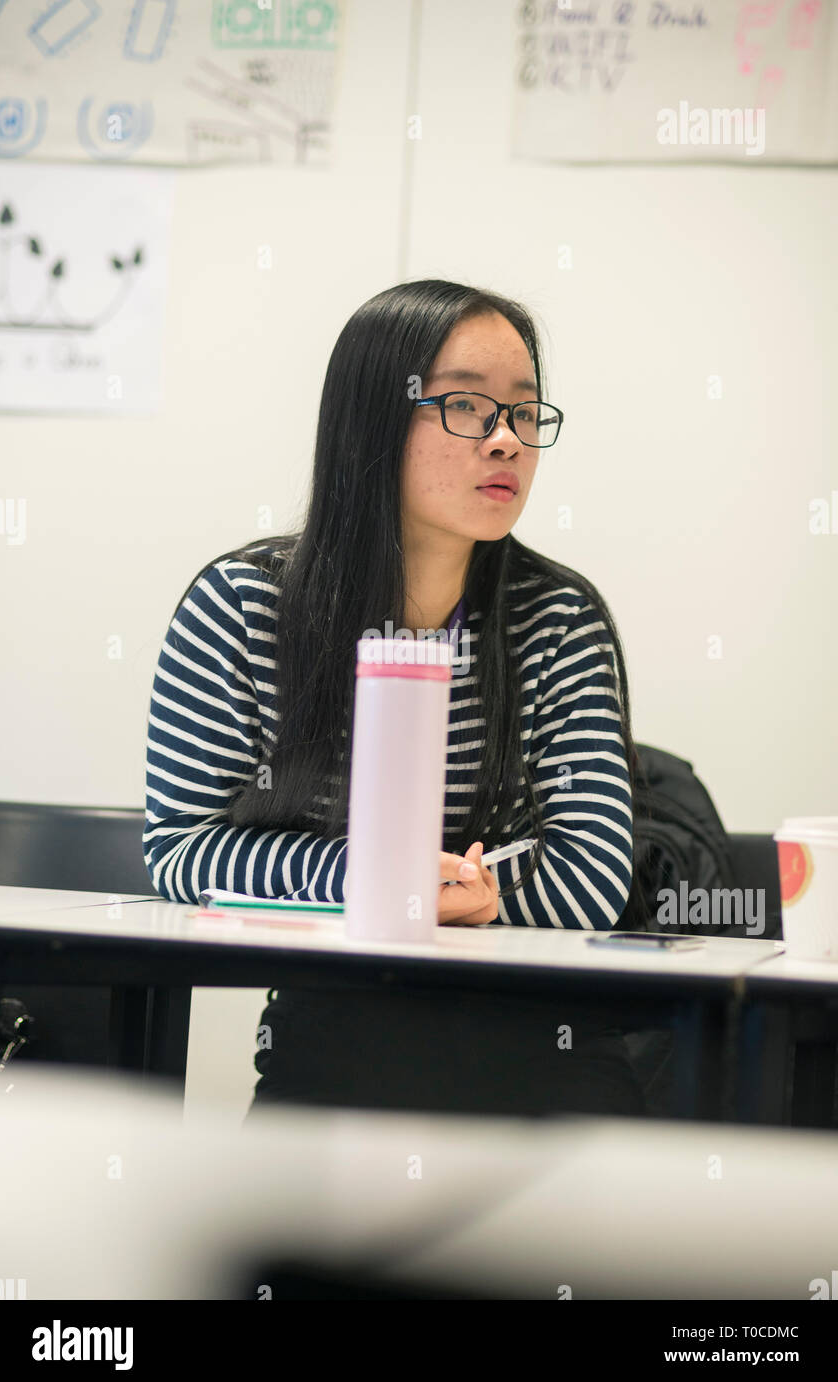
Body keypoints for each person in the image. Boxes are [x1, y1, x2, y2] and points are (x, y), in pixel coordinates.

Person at [143, 279, 649, 1118]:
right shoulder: (243, 606)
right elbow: (181, 849)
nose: (505, 442)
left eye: (524, 413)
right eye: (465, 407)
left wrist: (455, 893)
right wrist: (384, 879)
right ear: (371, 420)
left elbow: (590, 875)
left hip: (540, 1044)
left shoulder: (555, 617)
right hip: (337, 1031)